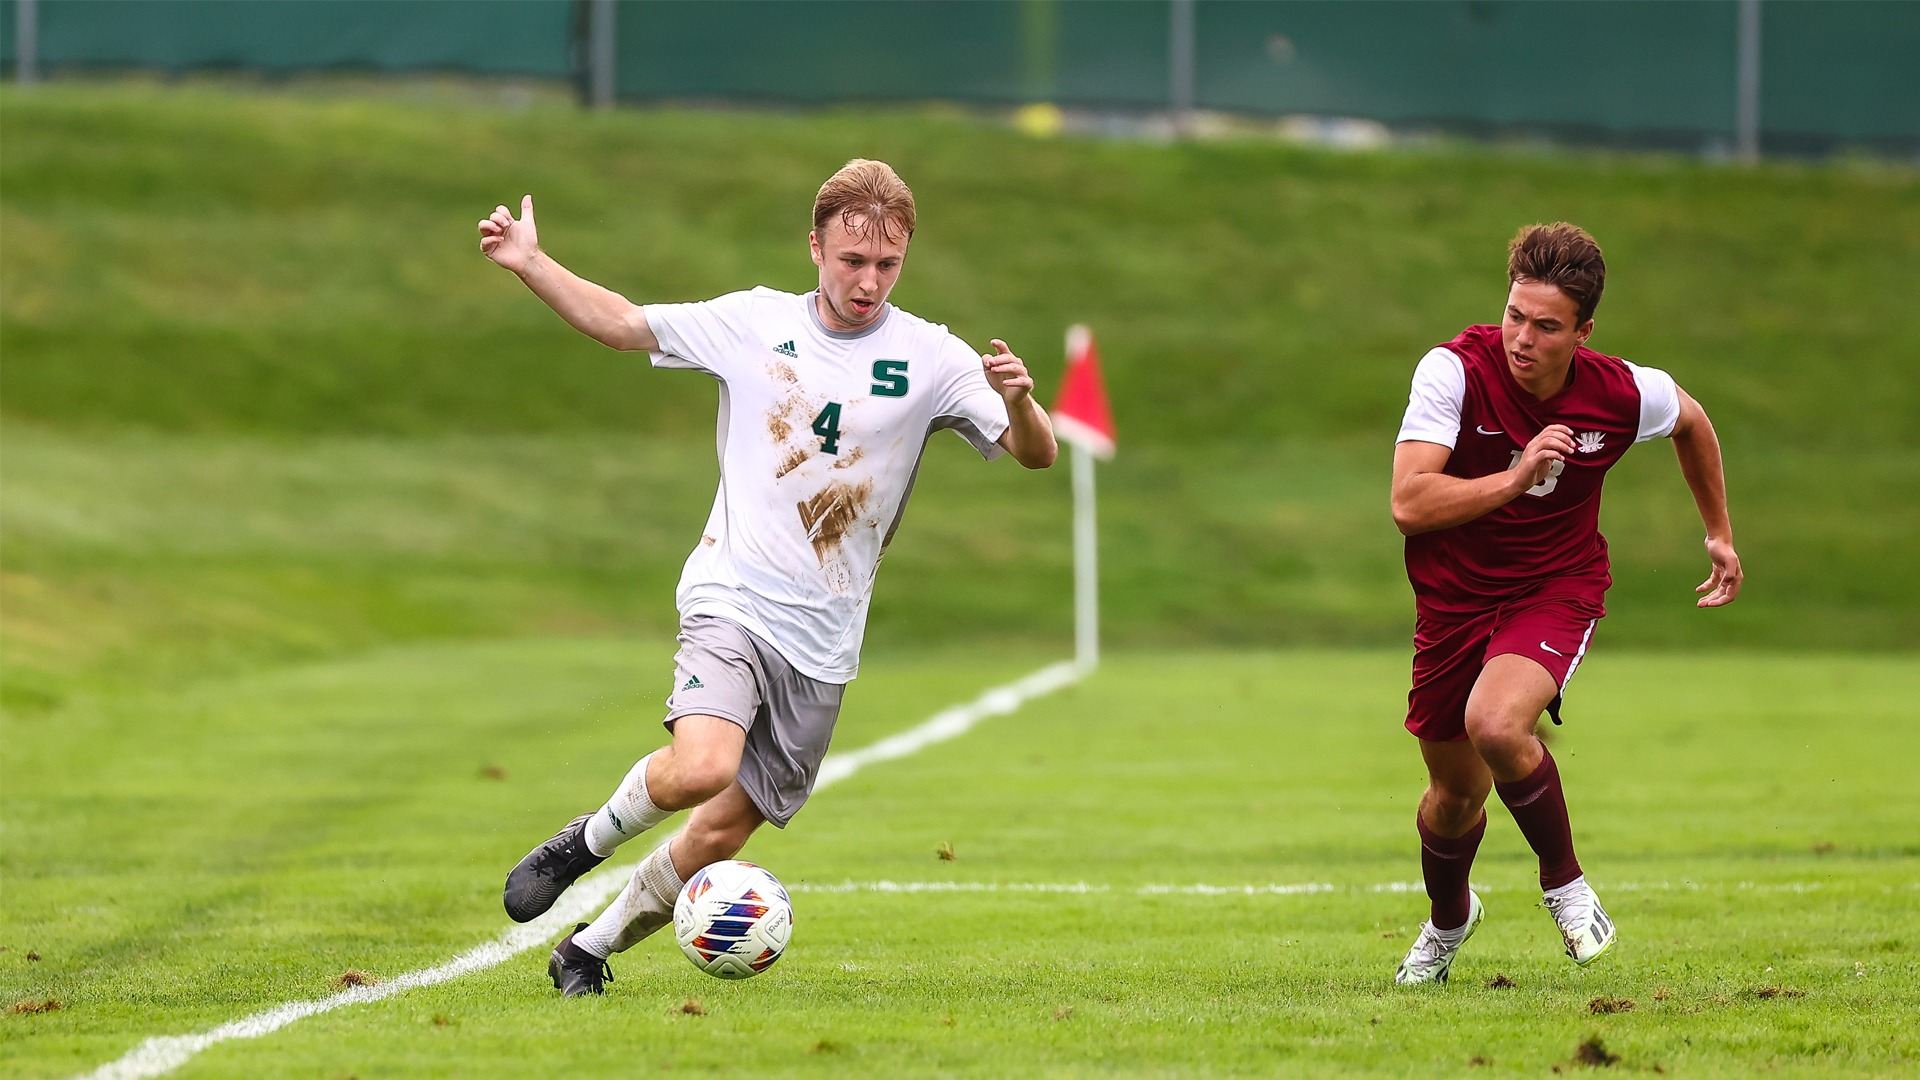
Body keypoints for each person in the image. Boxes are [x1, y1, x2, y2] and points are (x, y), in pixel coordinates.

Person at [476, 159, 1057, 996]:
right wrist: (532, 262)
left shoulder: (933, 356)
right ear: (814, 246)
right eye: (851, 261)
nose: (868, 281)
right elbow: (621, 324)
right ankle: (583, 843)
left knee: (720, 833)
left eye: (887, 265)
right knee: (704, 765)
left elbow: (1036, 456)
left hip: (826, 637)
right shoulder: (752, 323)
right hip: (733, 594)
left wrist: (1023, 400)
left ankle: (588, 949)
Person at [1388, 222, 1741, 985]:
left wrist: (1718, 531)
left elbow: (1692, 420)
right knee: (1452, 797)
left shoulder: (1618, 391)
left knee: (1495, 721)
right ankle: (1450, 922)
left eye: (1546, 326)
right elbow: (1409, 503)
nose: (1522, 337)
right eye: (1515, 315)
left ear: (1583, 332)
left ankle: (1568, 887)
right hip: (1452, 603)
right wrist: (1513, 478)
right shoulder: (1452, 371)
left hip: (1554, 586)